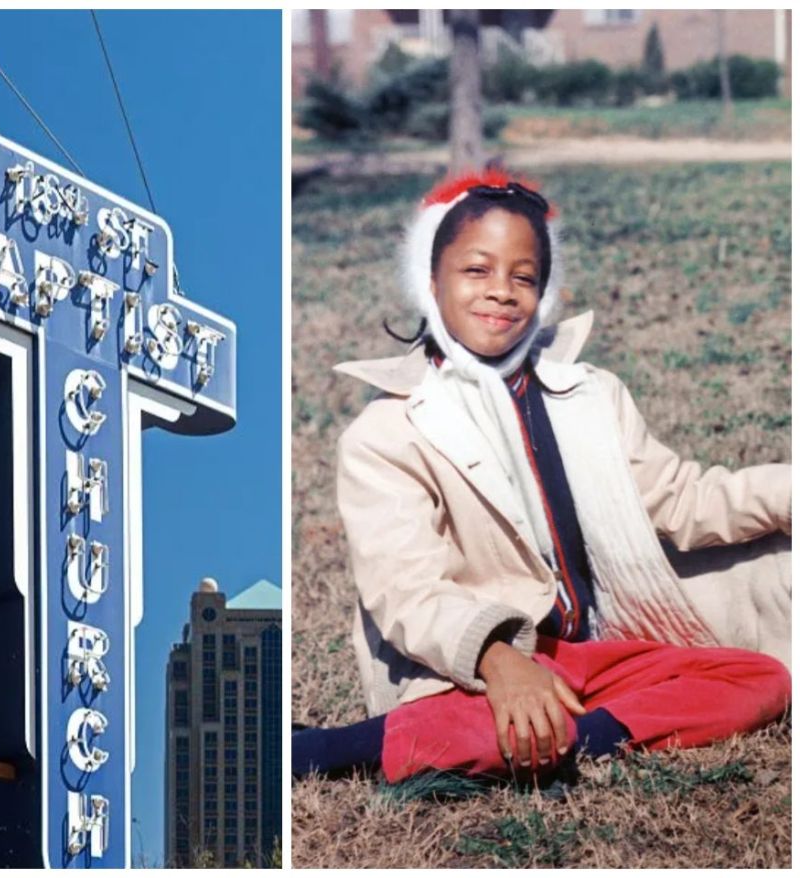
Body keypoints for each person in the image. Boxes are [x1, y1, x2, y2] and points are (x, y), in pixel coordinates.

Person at [293, 169, 791, 784]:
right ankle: (330, 749)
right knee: (471, 720)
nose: (501, 292)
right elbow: (407, 593)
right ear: (432, 282)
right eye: (476, 270)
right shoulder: (387, 431)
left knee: (761, 678)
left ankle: (572, 739)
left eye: (523, 277)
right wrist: (498, 660)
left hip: (598, 654)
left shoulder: (590, 394)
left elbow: (679, 500)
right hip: (476, 665)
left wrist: (787, 493)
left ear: (544, 293)